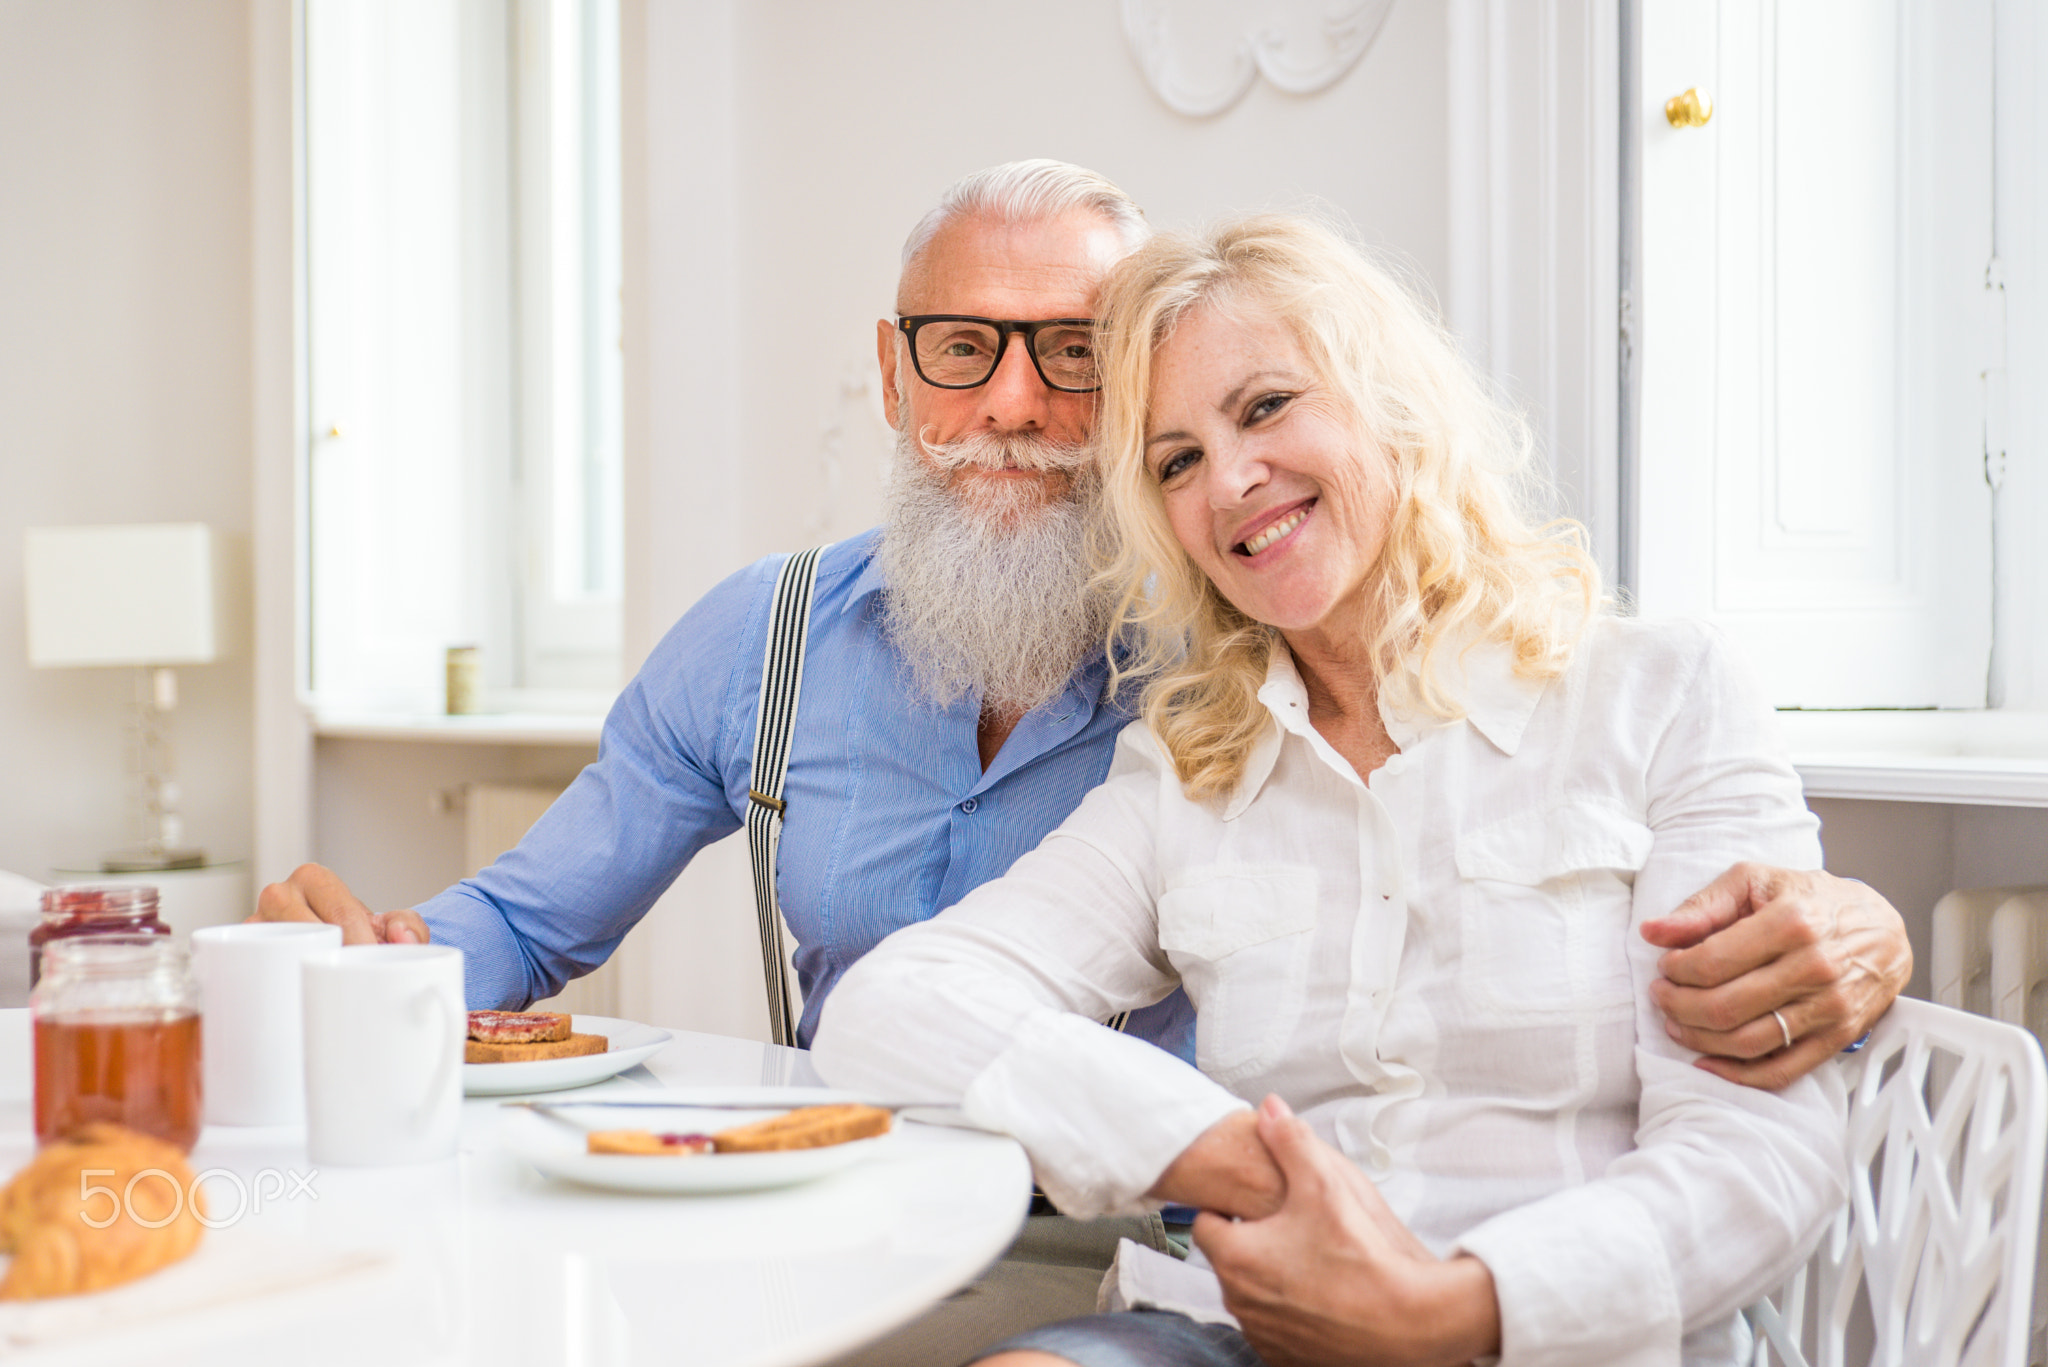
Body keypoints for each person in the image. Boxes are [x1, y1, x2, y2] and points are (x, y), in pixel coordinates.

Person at [254, 160, 1909, 1093]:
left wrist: (1851, 918)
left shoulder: (1254, 643)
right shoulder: (751, 643)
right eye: (964, 352)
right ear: (896, 378)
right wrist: (367, 956)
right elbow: (527, 925)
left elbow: (1550, 790)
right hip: (856, 1195)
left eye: (1079, 357)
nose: (1017, 411)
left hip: (1166, 1250)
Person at [811, 213, 1851, 1367]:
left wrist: (1445, 1306)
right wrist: (1239, 1160)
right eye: (1175, 462)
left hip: (1571, 1339)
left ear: (1388, 401)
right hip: (1252, 1331)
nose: (1232, 479)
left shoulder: (1661, 694)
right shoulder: (1183, 772)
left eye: (1263, 407)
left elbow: (1759, 1152)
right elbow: (891, 1007)